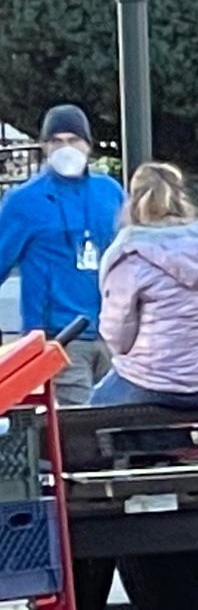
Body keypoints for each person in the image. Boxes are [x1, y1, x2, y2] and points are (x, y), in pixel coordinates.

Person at [91, 163, 198, 409]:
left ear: (133, 202)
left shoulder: (131, 255)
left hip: (157, 383)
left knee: (97, 405)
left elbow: (117, 334)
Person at [0, 106, 125, 403]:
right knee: (79, 428)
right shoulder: (24, 201)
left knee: (116, 422)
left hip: (113, 333)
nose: (66, 148)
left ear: (88, 145)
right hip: (61, 336)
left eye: (73, 139)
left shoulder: (109, 192)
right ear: (44, 146)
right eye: (56, 141)